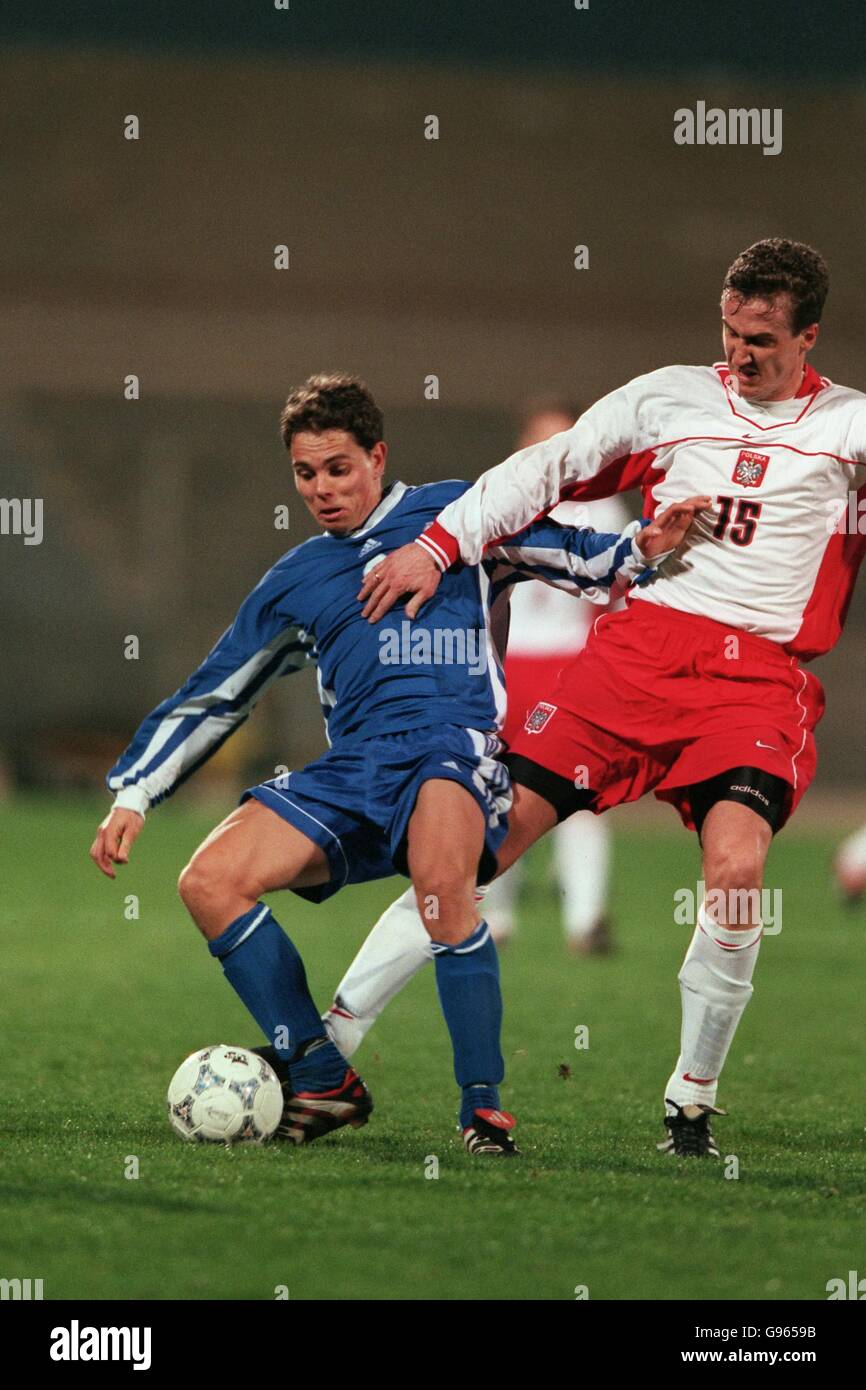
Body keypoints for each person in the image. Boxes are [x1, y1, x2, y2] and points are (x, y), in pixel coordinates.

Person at [88, 373, 695, 1156]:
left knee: (445, 890)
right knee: (209, 879)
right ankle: (319, 1074)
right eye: (305, 474)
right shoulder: (297, 579)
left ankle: (483, 1111)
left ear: (377, 456)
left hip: (453, 750)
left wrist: (643, 545)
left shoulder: (456, 515)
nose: (322, 489)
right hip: (355, 773)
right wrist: (136, 792)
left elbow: (573, 554)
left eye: (338, 468)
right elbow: (216, 693)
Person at [351, 239, 866, 1158]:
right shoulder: (667, 398)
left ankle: (692, 1096)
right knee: (468, 849)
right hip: (633, 659)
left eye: (761, 339)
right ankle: (331, 1048)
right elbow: (540, 471)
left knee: (738, 874)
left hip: (755, 682)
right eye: (730, 331)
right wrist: (438, 543)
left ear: (807, 335)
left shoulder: (847, 430)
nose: (741, 353)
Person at [482, 402, 630, 954]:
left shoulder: (606, 508)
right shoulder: (498, 497)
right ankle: (494, 916)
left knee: (579, 792)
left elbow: (617, 599)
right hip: (504, 664)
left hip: (570, 665)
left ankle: (585, 919)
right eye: (540, 438)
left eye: (562, 439)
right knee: (493, 789)